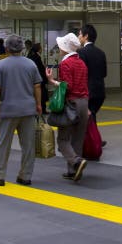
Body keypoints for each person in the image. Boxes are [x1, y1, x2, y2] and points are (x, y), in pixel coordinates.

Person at [0, 34, 42, 186]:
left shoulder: (2, 65)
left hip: (8, 110)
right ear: (21, 48)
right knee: (28, 145)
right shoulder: (31, 64)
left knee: (3, 143)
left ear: (7, 48)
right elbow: (37, 86)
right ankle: (25, 176)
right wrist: (38, 104)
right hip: (28, 109)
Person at [46, 33, 89, 182]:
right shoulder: (81, 62)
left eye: (60, 47)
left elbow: (67, 86)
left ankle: (76, 162)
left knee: (63, 139)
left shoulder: (65, 64)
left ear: (65, 48)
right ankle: (73, 172)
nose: (59, 49)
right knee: (78, 139)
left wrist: (52, 81)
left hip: (71, 104)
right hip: (84, 102)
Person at [77, 25, 107, 121]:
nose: (78, 37)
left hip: (87, 93)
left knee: (87, 121)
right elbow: (104, 73)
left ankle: (92, 136)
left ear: (86, 36)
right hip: (100, 92)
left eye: (80, 34)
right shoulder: (101, 53)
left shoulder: (81, 52)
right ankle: (93, 135)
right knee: (91, 117)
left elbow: (81, 75)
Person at [27, 42, 49, 114]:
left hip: (32, 79)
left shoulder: (31, 55)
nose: (42, 49)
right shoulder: (37, 57)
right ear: (38, 49)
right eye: (41, 48)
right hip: (39, 79)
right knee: (42, 94)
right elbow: (40, 69)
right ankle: (42, 109)